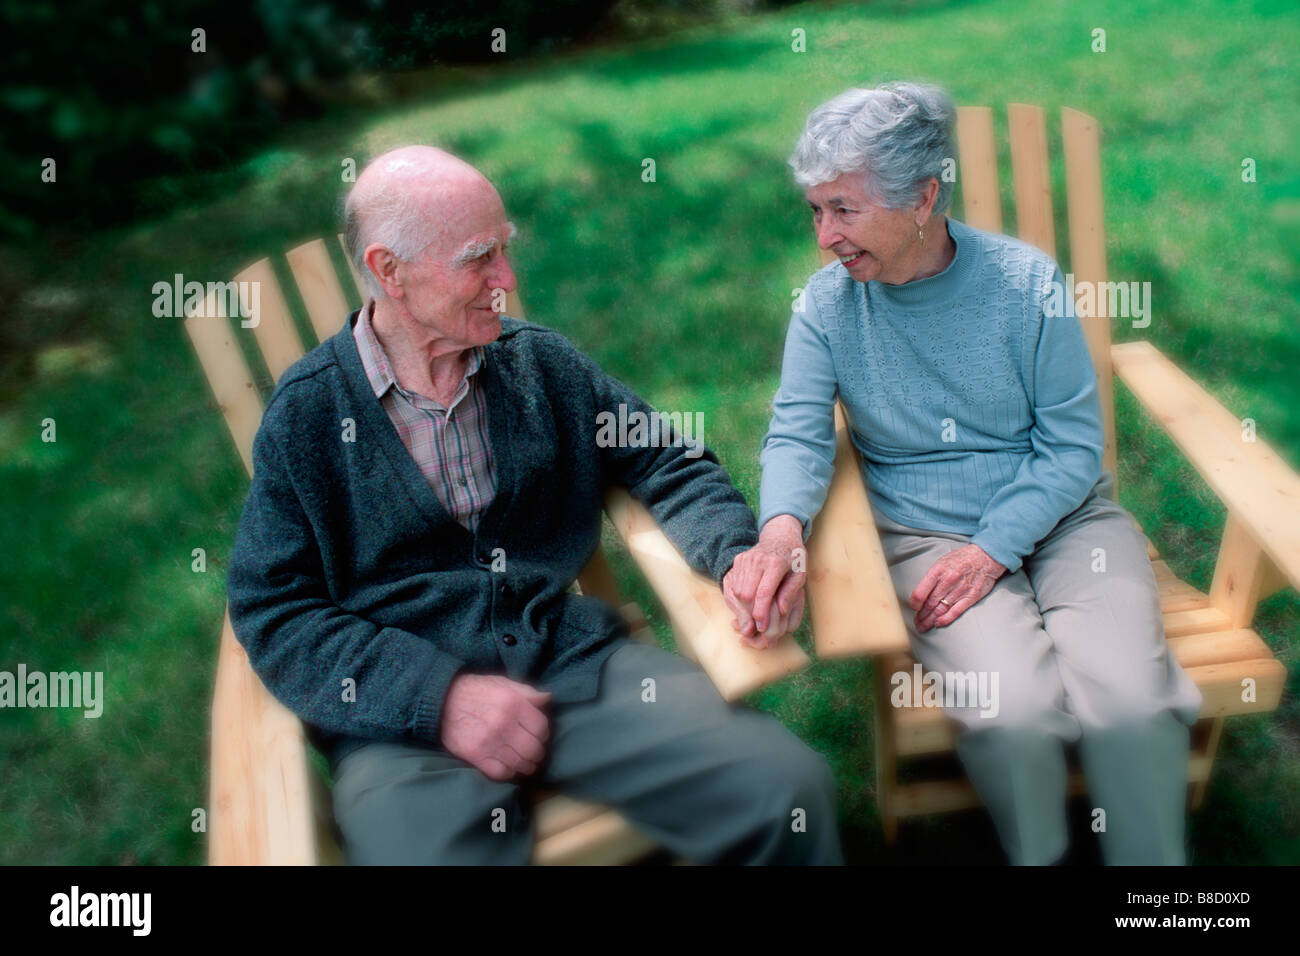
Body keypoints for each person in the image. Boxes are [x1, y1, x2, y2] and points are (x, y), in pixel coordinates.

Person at [226, 145, 842, 865]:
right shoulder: (307, 419)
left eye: (505, 251)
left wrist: (737, 551)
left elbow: (665, 461)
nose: (507, 282)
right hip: (407, 731)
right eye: (478, 259)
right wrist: (440, 698)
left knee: (785, 788)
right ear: (391, 271)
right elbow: (275, 609)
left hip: (569, 665)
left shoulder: (540, 365)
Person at [723, 83, 1203, 865]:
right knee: (1013, 712)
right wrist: (779, 534)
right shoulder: (825, 308)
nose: (824, 238)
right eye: (815, 211)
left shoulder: (1026, 284)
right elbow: (798, 435)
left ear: (923, 197)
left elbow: (1074, 447)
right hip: (927, 536)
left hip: (1065, 518)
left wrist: (995, 550)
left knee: (1131, 704)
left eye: (843, 210)